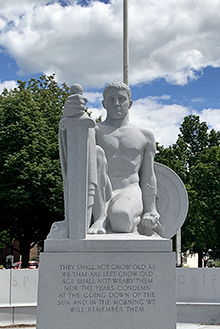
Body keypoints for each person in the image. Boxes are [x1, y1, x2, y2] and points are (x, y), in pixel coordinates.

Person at [62, 82, 160, 235]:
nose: (116, 103)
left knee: (121, 219)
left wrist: (151, 209)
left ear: (130, 103)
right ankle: (101, 216)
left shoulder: (144, 135)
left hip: (129, 189)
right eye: (111, 99)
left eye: (121, 99)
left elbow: (148, 175)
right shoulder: (93, 130)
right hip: (102, 191)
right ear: (104, 103)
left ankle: (134, 221)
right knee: (96, 151)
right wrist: (68, 116)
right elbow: (72, 148)